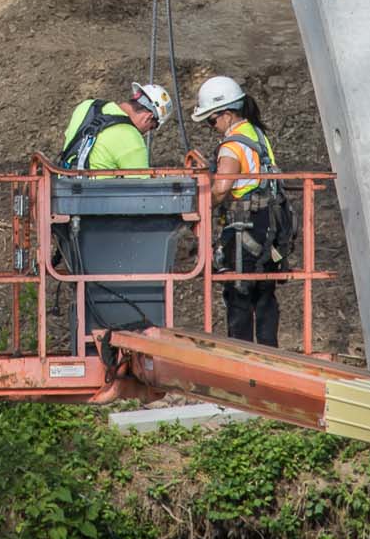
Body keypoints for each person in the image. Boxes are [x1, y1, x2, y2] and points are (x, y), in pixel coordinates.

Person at [193, 75, 288, 346]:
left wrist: (200, 208)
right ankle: (271, 353)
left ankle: (241, 354)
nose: (212, 127)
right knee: (264, 292)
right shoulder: (257, 135)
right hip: (269, 225)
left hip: (245, 226)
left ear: (227, 113)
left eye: (212, 120)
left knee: (239, 292)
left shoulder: (233, 144)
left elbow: (222, 188)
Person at [57, 82, 170, 173]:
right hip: (98, 198)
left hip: (62, 187)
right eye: (151, 127)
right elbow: (142, 193)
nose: (146, 133)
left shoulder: (87, 106)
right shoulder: (131, 138)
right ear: (148, 117)